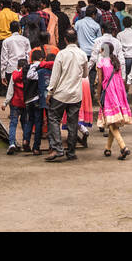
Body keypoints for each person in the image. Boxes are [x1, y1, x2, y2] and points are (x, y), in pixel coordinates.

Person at [45, 28, 89, 161]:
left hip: (60, 94)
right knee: (73, 124)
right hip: (75, 95)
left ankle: (58, 148)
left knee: (53, 118)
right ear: (76, 39)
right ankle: (71, 152)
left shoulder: (62, 54)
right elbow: (85, 74)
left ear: (65, 40)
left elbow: (55, 76)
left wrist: (49, 92)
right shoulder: (82, 54)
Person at [97, 42, 132, 160]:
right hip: (118, 91)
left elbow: (100, 80)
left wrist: (98, 96)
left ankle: (123, 147)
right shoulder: (115, 60)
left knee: (111, 121)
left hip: (108, 92)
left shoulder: (101, 62)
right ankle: (108, 148)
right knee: (113, 121)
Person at [2, 57, 31, 155]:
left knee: (13, 123)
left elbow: (10, 90)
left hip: (15, 103)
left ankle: (12, 144)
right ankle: (25, 141)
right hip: (26, 103)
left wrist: (5, 103)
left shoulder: (14, 74)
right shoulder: (30, 75)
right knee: (25, 123)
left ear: (18, 66)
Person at [0, 0, 19, 81]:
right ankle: (10, 84)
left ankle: (1, 86)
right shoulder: (14, 15)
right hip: (12, 41)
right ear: (11, 5)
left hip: (0, 42)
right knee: (11, 62)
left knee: (0, 63)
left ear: (1, 5)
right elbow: (18, 29)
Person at [116, 15, 132, 104]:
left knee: (124, 78)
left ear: (123, 24)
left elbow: (119, 48)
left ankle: (125, 97)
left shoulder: (119, 35)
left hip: (124, 58)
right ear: (131, 23)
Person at [0, 20, 32, 85]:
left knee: (11, 91)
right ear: (19, 29)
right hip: (23, 69)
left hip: (10, 69)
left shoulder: (6, 41)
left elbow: (4, 59)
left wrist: (3, 75)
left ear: (10, 29)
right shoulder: (25, 40)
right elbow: (29, 55)